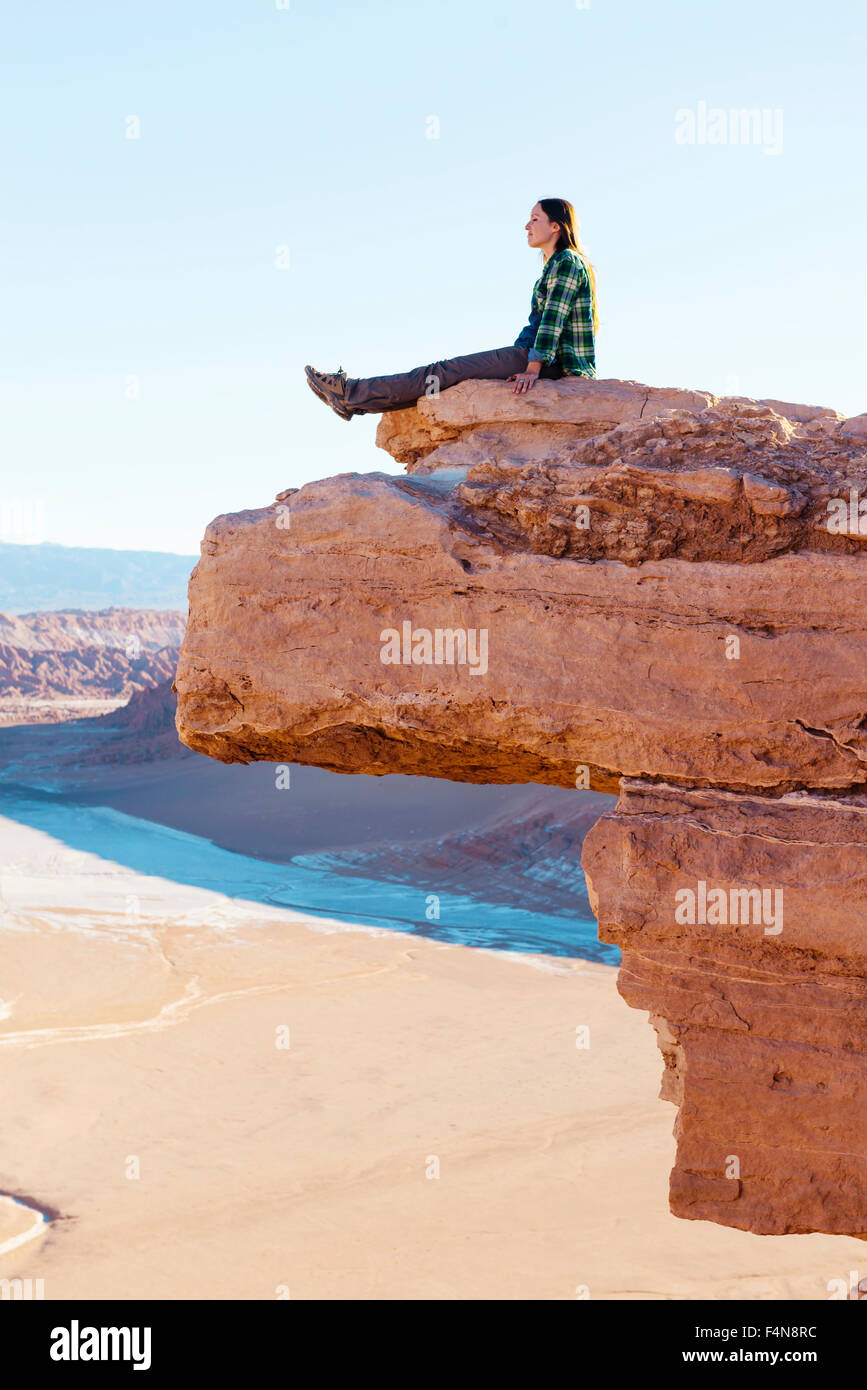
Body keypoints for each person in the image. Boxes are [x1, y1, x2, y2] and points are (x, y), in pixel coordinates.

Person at [305, 198, 598, 421]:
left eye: (535, 219)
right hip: (539, 356)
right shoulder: (554, 266)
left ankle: (351, 392)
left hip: (554, 363)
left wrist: (532, 368)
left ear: (556, 226)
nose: (527, 226)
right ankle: (352, 400)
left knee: (443, 372)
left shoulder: (567, 262)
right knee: (441, 379)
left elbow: (552, 320)